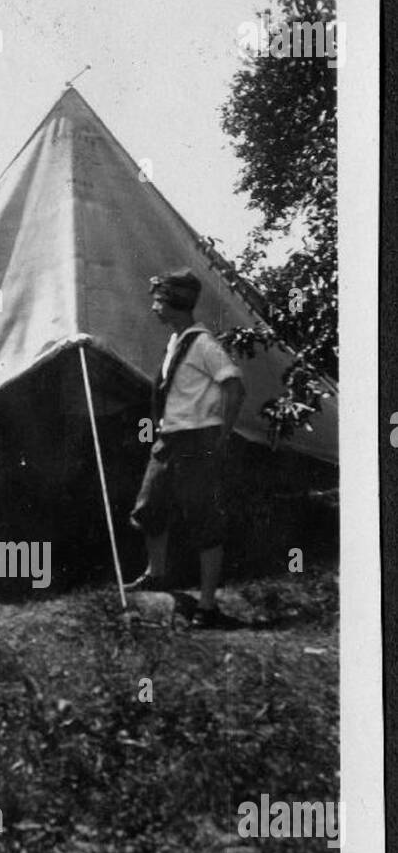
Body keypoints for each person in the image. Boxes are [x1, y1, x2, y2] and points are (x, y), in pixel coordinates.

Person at [128, 268, 245, 627]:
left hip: (197, 439)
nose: (153, 308)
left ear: (175, 304)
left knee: (203, 519)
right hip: (170, 438)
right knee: (150, 506)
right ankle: (156, 573)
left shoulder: (204, 344)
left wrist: (221, 435)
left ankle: (207, 605)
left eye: (159, 301)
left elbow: (234, 387)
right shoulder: (176, 342)